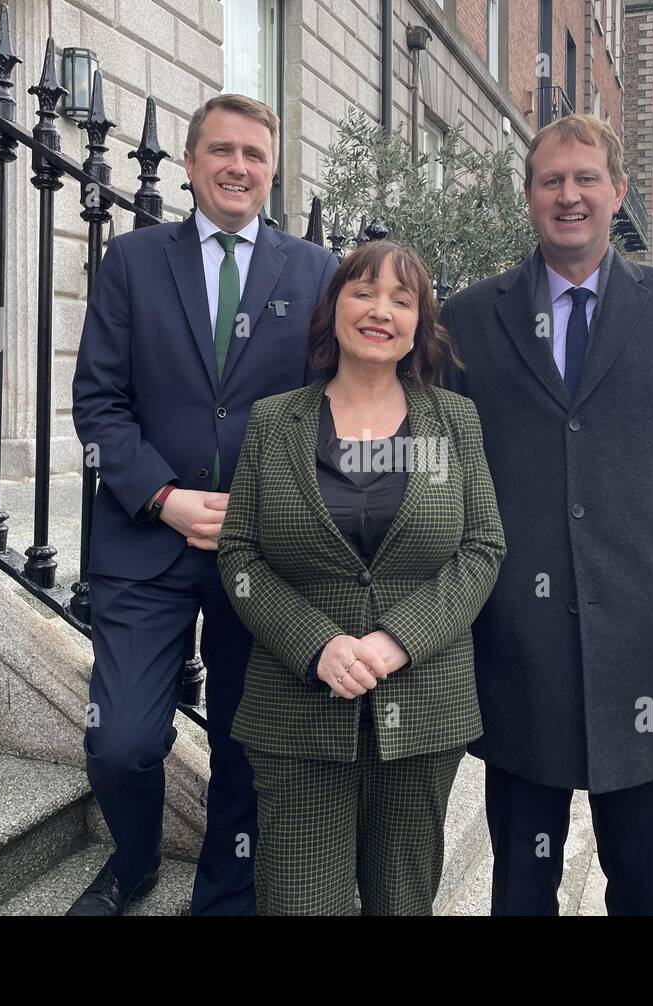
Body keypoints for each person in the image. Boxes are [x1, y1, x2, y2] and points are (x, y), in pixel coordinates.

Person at [441, 113, 653, 915]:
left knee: (647, 894)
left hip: (645, 662)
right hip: (520, 657)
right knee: (520, 893)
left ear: (618, 193)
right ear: (529, 196)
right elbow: (442, 471)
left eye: (587, 179)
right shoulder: (472, 317)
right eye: (552, 180)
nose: (569, 195)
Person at [69, 94, 337, 915]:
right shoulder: (133, 260)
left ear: (273, 168)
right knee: (123, 741)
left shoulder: (317, 273)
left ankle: (224, 897)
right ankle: (137, 859)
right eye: (220, 151)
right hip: (144, 543)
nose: (237, 167)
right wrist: (163, 497)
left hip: (260, 555)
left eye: (254, 154)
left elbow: (334, 403)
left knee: (243, 740)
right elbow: (98, 403)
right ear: (188, 163)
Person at [217, 240, 506, 915]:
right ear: (334, 308)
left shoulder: (451, 422)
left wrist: (395, 639)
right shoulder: (275, 420)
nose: (380, 311)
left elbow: (482, 545)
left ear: (419, 323)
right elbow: (239, 553)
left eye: (401, 300)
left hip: (424, 709)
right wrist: (316, 643)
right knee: (296, 904)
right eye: (363, 291)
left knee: (402, 903)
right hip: (297, 712)